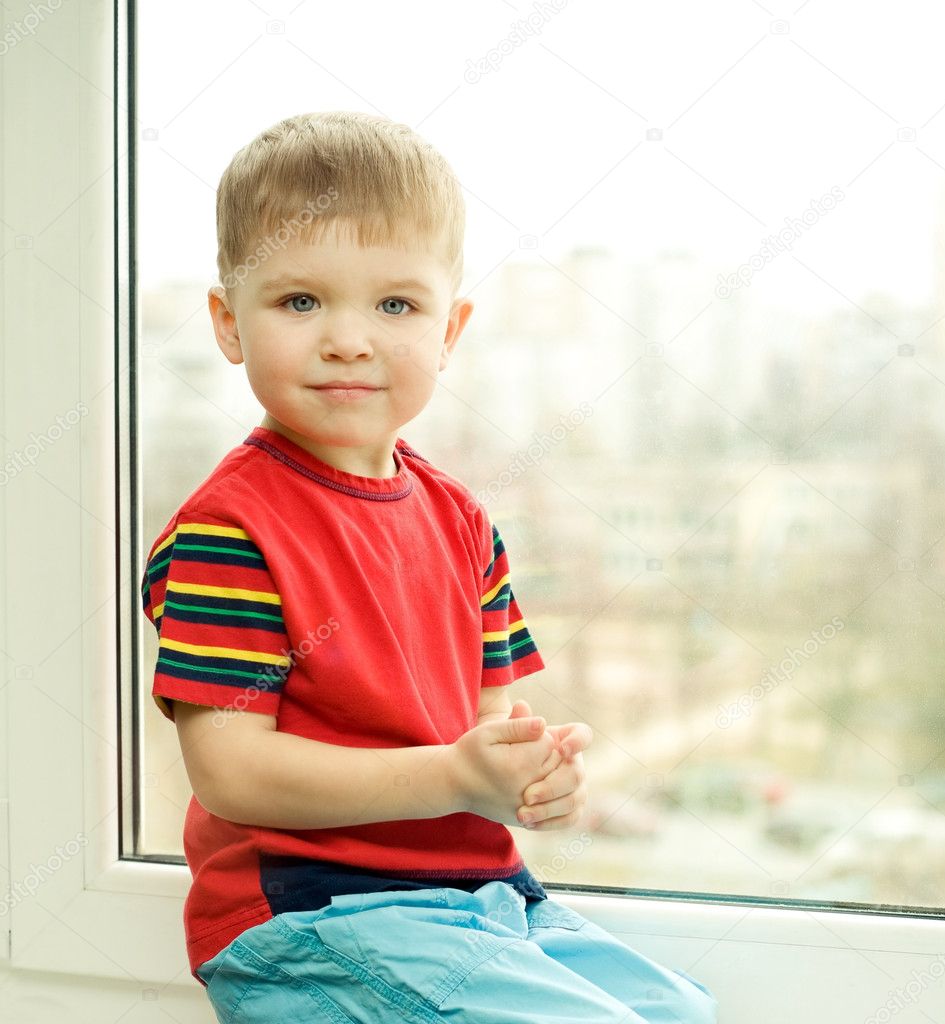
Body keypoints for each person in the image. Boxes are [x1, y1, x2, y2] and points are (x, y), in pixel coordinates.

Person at [141, 110, 717, 1023]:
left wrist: (525, 777)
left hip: (476, 898)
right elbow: (233, 775)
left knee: (684, 1012)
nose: (349, 339)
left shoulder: (463, 521)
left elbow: (485, 728)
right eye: (300, 301)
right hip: (316, 913)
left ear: (449, 329)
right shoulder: (231, 530)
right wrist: (455, 775)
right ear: (228, 322)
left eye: (395, 305)